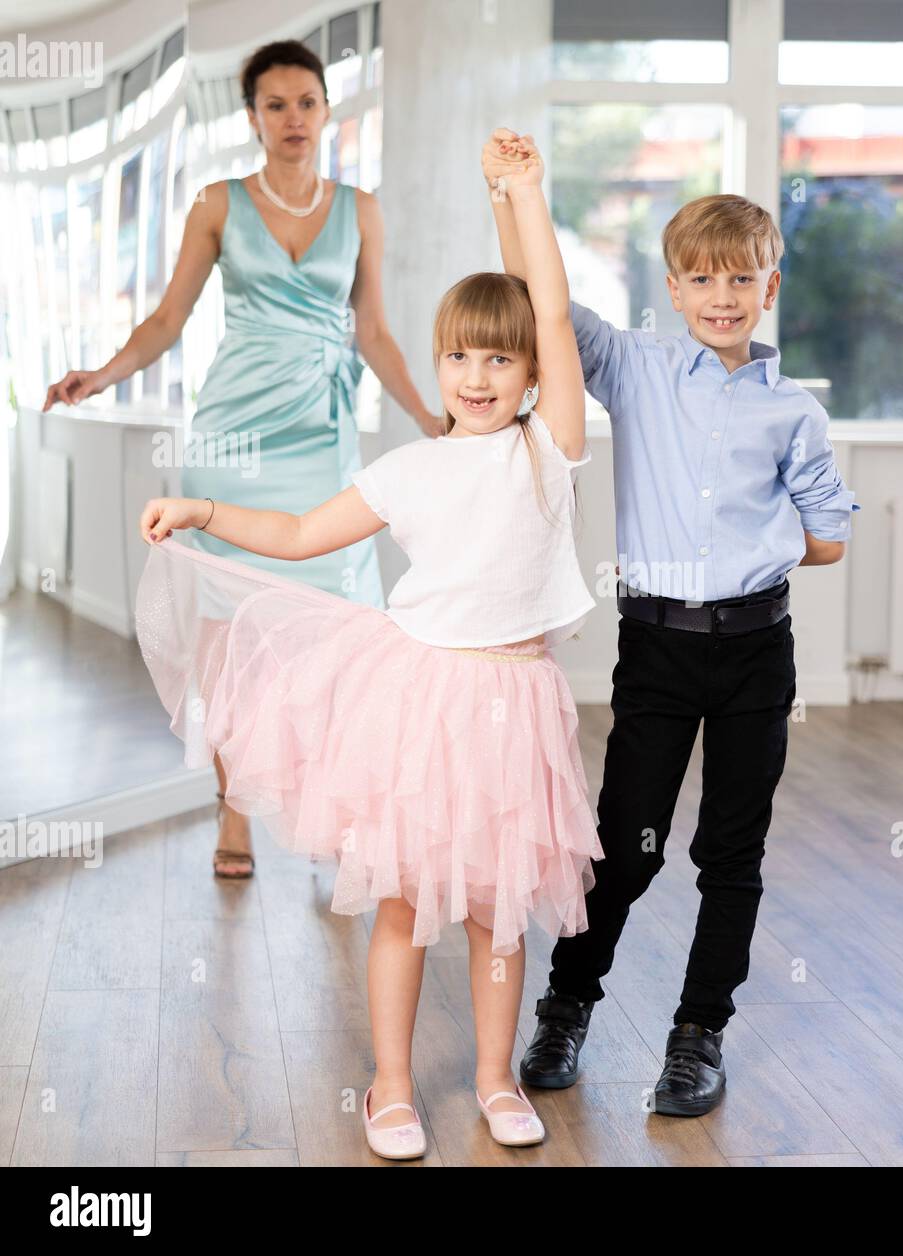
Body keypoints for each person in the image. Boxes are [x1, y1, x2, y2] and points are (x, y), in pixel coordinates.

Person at [133, 130, 599, 1154]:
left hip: (516, 703)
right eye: (458, 354)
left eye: (500, 355)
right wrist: (205, 505)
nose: (477, 374)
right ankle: (390, 1082)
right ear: (437, 364)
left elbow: (555, 309)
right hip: (421, 700)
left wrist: (522, 196)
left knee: (496, 911)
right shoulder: (414, 466)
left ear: (529, 373)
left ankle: (491, 1076)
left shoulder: (548, 449)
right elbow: (301, 533)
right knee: (402, 903)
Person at [490, 153, 860, 1116]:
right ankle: (568, 1007)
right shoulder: (635, 368)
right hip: (656, 650)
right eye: (701, 277)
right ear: (673, 287)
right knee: (628, 844)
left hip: (755, 654)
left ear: (770, 285)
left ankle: (698, 1039)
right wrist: (519, 197)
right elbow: (539, 303)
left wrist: (756, 546)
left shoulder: (795, 412)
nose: (722, 295)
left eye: (742, 277)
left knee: (731, 855)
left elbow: (829, 540)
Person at [45, 39, 441, 880]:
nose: (293, 118)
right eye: (275, 105)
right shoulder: (217, 204)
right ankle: (234, 816)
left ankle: (333, 815)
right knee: (229, 639)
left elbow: (373, 333)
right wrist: (100, 375)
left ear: (328, 110)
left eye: (307, 102)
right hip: (233, 440)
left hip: (321, 440)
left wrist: (434, 420)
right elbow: (166, 321)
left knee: (339, 638)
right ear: (252, 116)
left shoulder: (361, 209)